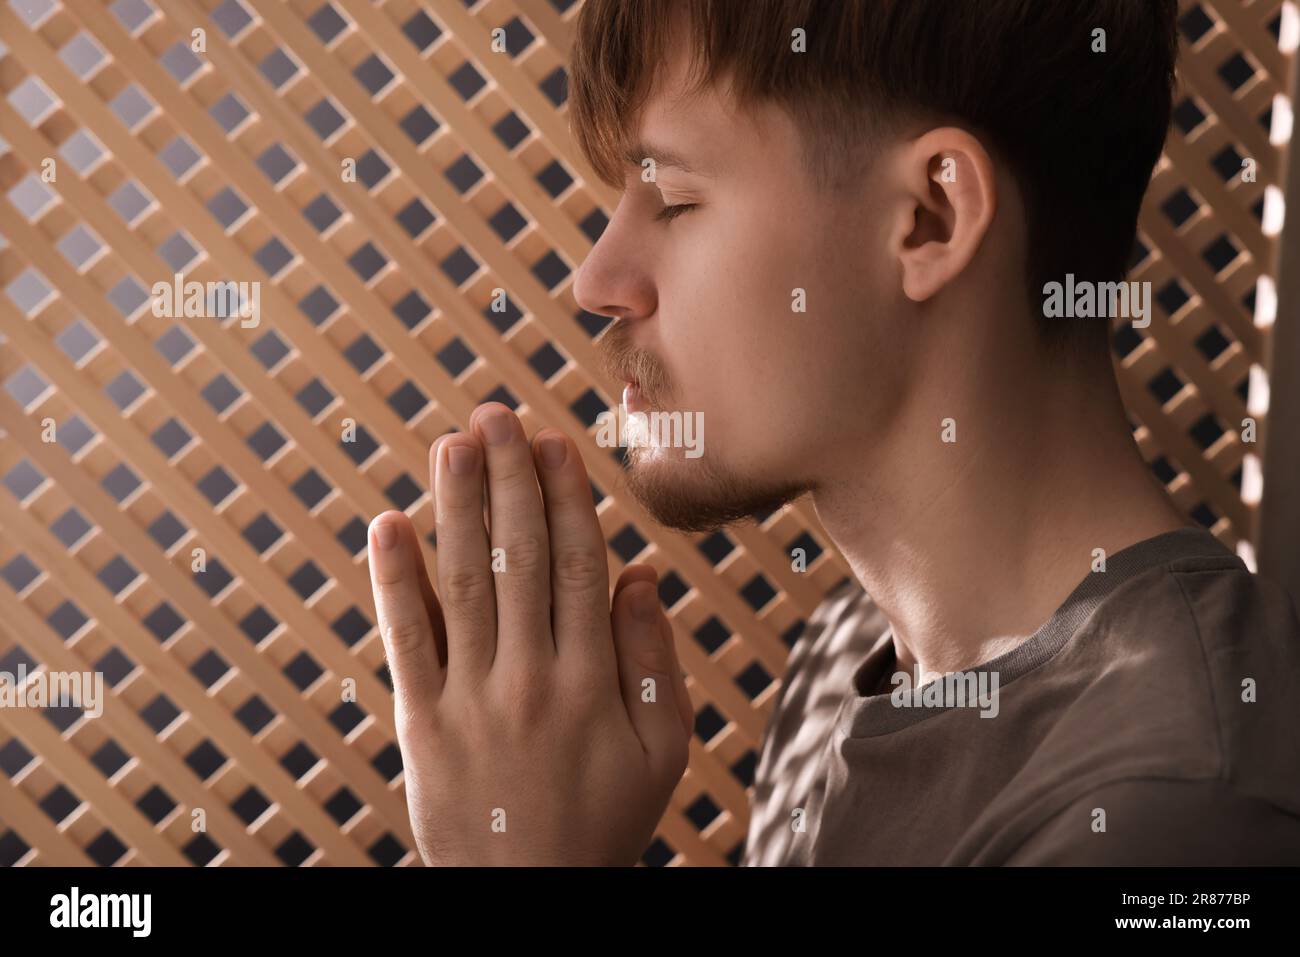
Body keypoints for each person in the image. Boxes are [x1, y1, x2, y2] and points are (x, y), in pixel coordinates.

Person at [366, 0, 1300, 865]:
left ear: (929, 218)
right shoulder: (849, 660)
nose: (598, 279)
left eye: (677, 202)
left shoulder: (1178, 812)